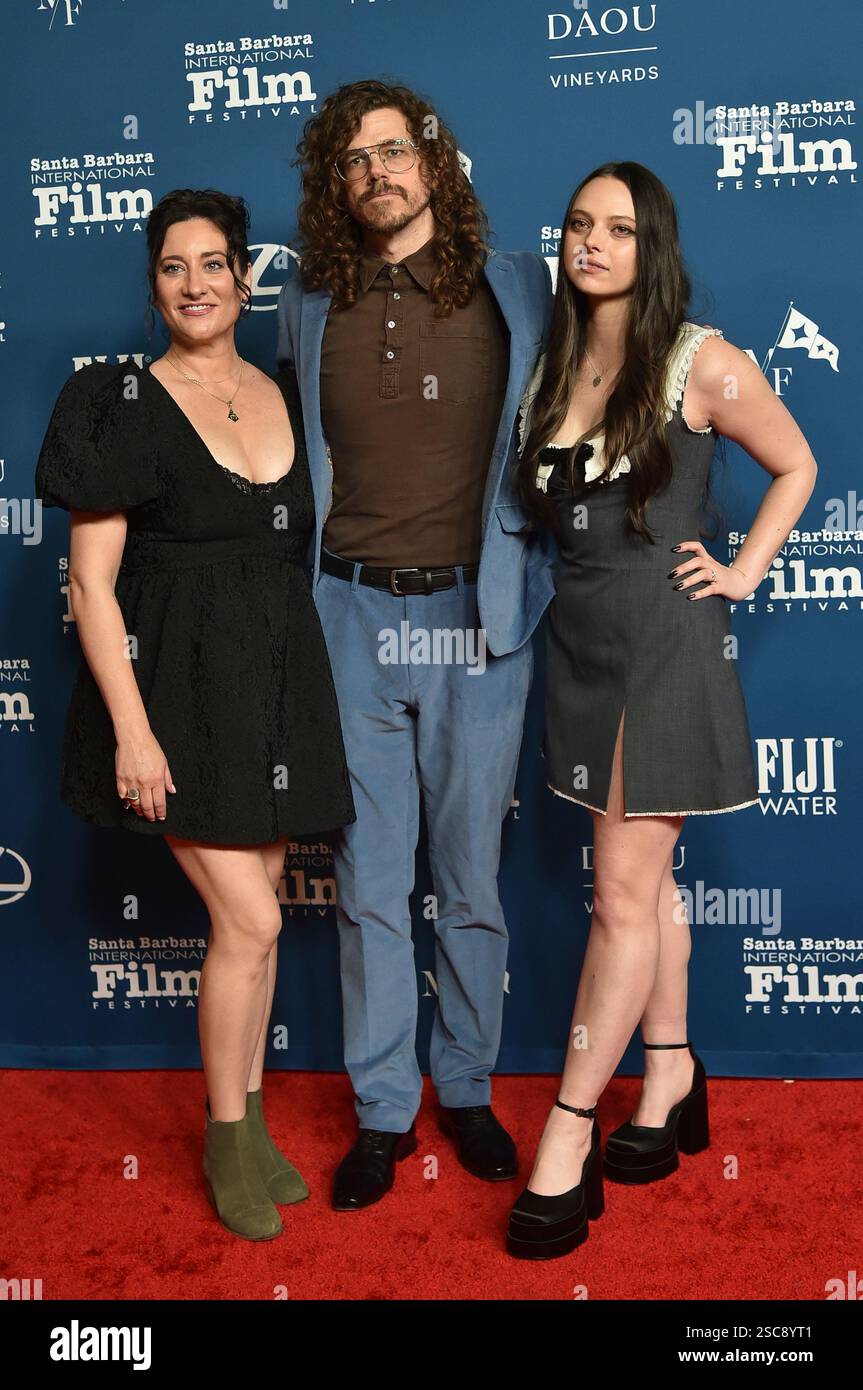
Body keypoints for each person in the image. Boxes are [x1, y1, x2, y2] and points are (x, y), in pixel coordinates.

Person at [507, 161, 818, 1260]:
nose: (592, 243)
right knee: (646, 889)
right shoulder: (550, 364)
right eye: (578, 224)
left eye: (618, 229)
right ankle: (673, 1072)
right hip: (579, 651)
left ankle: (567, 1128)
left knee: (620, 901)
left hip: (662, 655)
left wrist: (742, 572)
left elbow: (795, 463)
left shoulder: (698, 360)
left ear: (654, 247)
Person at [34, 188, 356, 1243]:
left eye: (214, 263)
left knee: (250, 930)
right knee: (252, 923)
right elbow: (91, 585)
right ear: (153, 283)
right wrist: (132, 729)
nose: (196, 284)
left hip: (270, 687)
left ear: (243, 277)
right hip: (172, 693)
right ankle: (225, 1140)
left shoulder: (276, 388)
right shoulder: (118, 402)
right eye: (173, 267)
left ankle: (254, 1125)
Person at [277, 79, 555, 1210]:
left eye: (391, 151)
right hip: (345, 613)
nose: (375, 172)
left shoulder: (520, 292)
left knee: (470, 878)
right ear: (333, 187)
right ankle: (384, 1110)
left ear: (433, 163)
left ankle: (470, 1087)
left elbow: (618, 358)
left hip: (473, 616)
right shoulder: (304, 303)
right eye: (351, 161)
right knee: (366, 884)